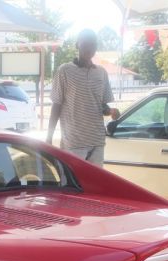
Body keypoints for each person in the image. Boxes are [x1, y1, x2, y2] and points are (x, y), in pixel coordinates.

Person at [46, 29, 120, 167]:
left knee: (95, 184)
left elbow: (102, 106)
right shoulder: (65, 71)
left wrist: (111, 111)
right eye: (86, 43)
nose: (89, 48)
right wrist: (49, 137)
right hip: (73, 143)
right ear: (77, 45)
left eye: (93, 44)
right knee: (73, 185)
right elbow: (56, 105)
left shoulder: (101, 73)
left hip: (97, 141)